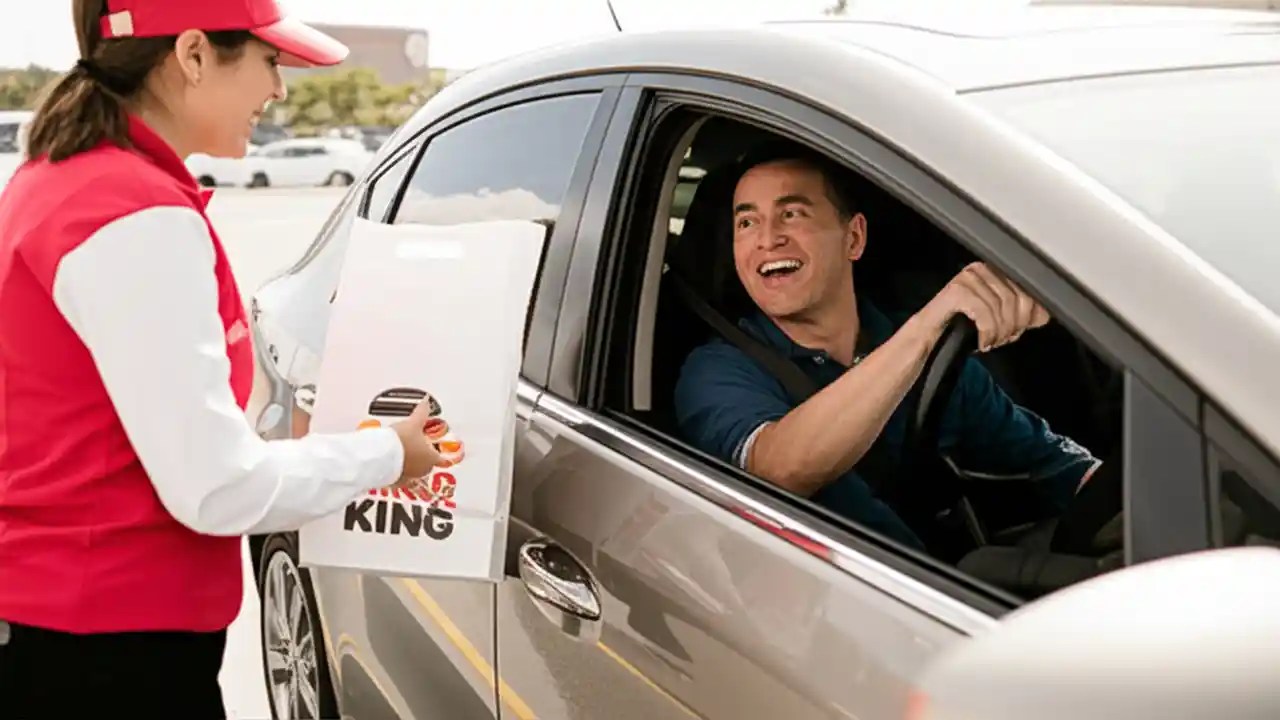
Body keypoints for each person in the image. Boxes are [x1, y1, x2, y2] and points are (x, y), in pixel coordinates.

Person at [0, 1, 446, 717]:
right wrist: (386, 454)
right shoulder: (130, 214)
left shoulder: (69, 181)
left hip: (68, 631)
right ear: (195, 55)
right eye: (270, 62)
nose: (279, 90)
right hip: (103, 650)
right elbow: (216, 489)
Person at [674, 142, 1100, 551]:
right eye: (746, 223)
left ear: (854, 238)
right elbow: (781, 469)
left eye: (792, 213)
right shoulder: (717, 370)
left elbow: (1054, 463)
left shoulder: (933, 355)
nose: (767, 239)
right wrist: (925, 328)